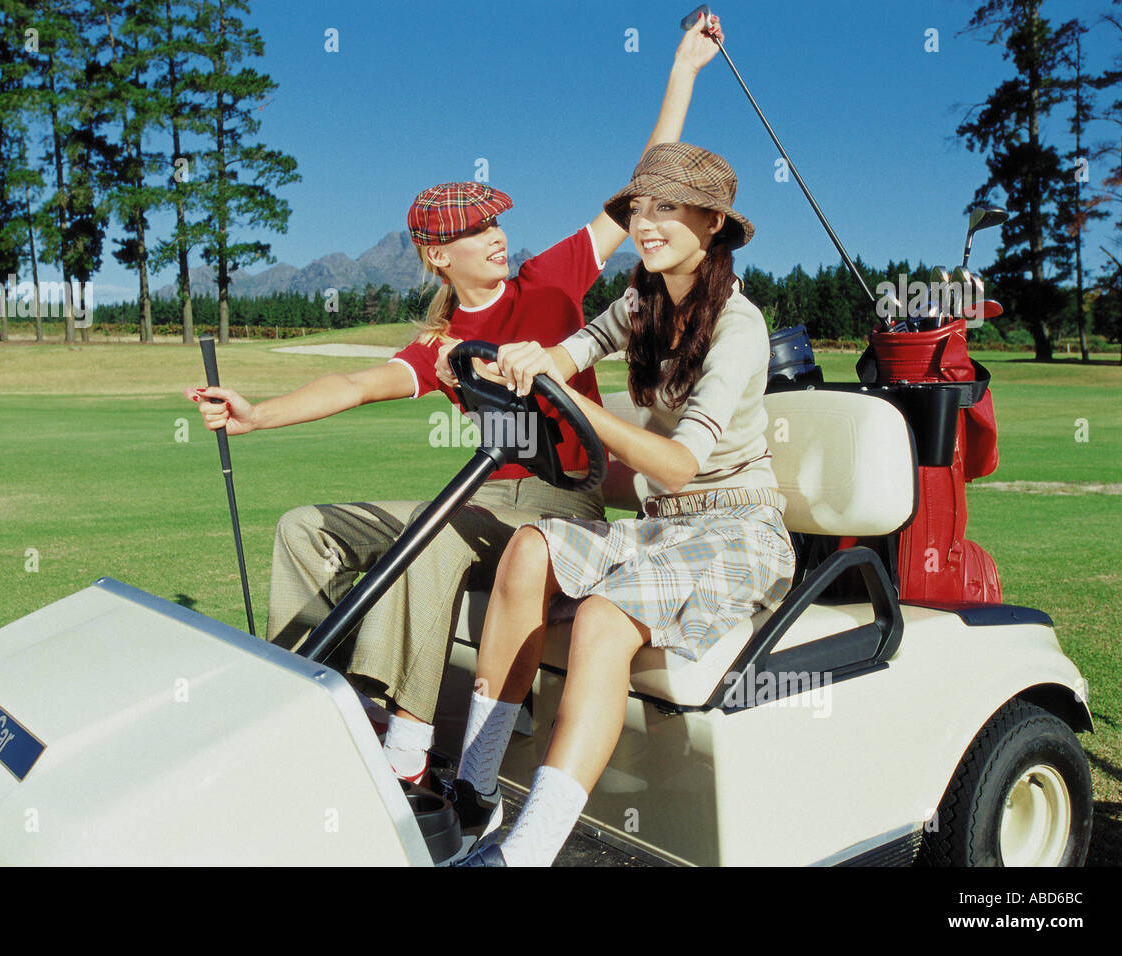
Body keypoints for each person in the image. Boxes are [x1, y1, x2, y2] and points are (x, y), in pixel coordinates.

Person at [186, 17, 728, 850]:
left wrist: (684, 70)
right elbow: (358, 384)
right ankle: (325, 702)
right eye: (474, 232)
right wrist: (257, 414)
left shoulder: (552, 281)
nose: (496, 237)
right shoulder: (441, 345)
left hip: (560, 494)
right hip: (484, 490)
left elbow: (644, 185)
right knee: (306, 529)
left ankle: (408, 756)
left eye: (496, 222)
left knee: (429, 537)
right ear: (435, 256)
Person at [450, 141, 796, 866]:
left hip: (738, 529)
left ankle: (529, 852)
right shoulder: (640, 299)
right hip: (661, 530)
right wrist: (529, 362)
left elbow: (674, 466)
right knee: (527, 549)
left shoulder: (740, 326)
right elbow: (575, 347)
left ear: (712, 223)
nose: (645, 222)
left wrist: (565, 391)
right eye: (639, 207)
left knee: (606, 617)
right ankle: (475, 796)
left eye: (665, 207)